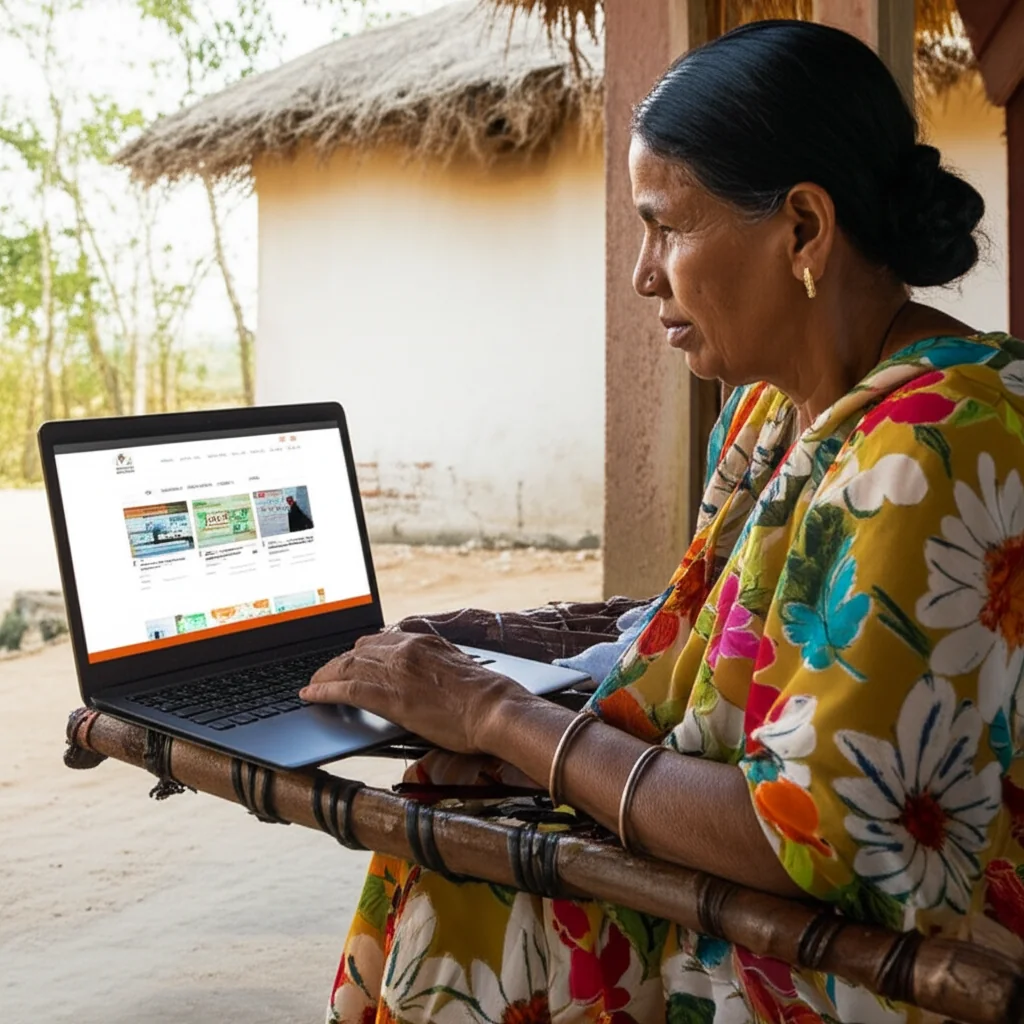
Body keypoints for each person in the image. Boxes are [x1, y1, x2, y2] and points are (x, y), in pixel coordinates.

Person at [300, 20, 1024, 1023]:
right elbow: (724, 658)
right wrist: (490, 672)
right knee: (446, 797)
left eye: (667, 227)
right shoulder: (776, 410)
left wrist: (500, 712)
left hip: (872, 959)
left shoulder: (940, 442)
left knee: (461, 855)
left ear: (803, 230)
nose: (645, 274)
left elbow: (800, 839)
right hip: (750, 900)